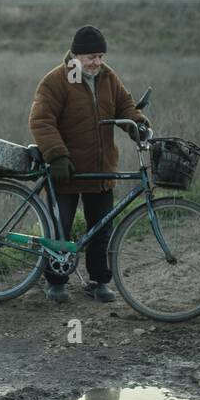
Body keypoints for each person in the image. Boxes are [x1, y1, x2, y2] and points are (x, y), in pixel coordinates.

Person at [28, 25, 150, 303]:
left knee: (101, 227)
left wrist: (137, 125)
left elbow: (126, 107)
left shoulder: (109, 77)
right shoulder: (56, 80)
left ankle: (98, 282)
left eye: (101, 56)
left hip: (101, 168)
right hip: (66, 170)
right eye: (91, 57)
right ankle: (56, 283)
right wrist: (57, 155)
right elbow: (40, 120)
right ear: (75, 56)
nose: (97, 62)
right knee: (60, 228)